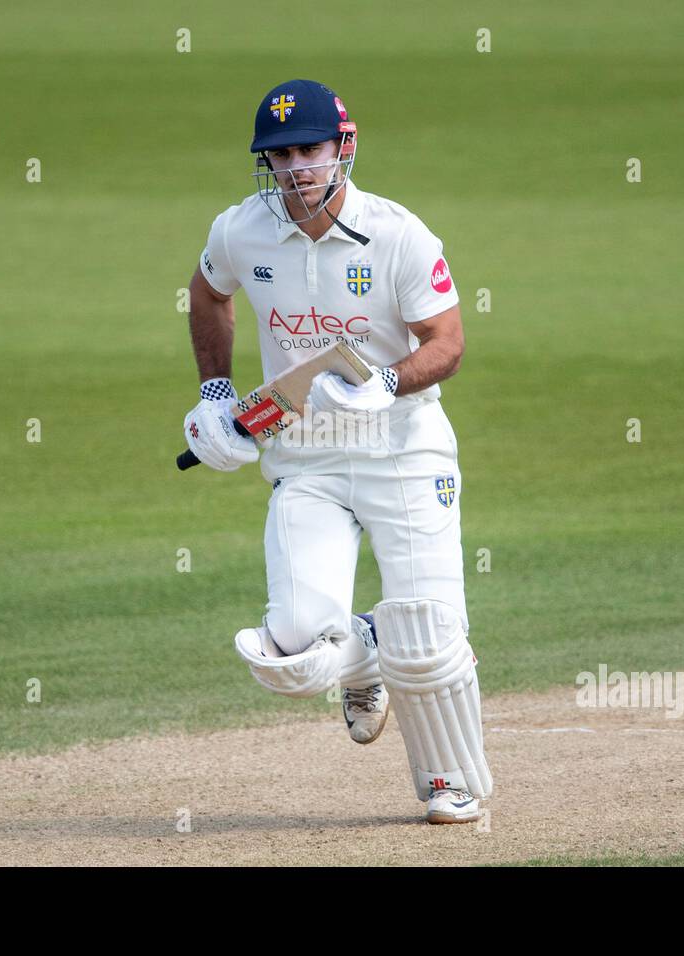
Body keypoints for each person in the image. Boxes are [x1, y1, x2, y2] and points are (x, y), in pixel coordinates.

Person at [182, 79, 492, 824]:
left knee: (428, 639)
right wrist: (218, 396)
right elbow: (206, 293)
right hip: (306, 458)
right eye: (280, 155)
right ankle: (370, 653)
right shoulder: (240, 230)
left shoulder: (399, 234)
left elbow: (448, 343)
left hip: (405, 452)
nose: (295, 169)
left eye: (309, 150)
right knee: (289, 653)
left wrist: (385, 382)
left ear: (342, 148)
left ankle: (450, 779)